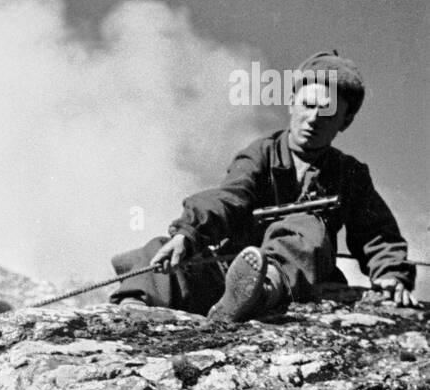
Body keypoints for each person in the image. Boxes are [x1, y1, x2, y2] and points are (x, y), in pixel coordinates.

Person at [111, 50, 417, 322]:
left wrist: (390, 273)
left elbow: (377, 232)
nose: (313, 118)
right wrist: (188, 234)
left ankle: (261, 291)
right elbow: (228, 198)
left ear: (345, 122)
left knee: (307, 227)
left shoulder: (350, 173)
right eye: (307, 105)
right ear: (291, 103)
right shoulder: (261, 153)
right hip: (229, 273)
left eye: (327, 112)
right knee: (161, 250)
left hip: (291, 283)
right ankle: (133, 306)